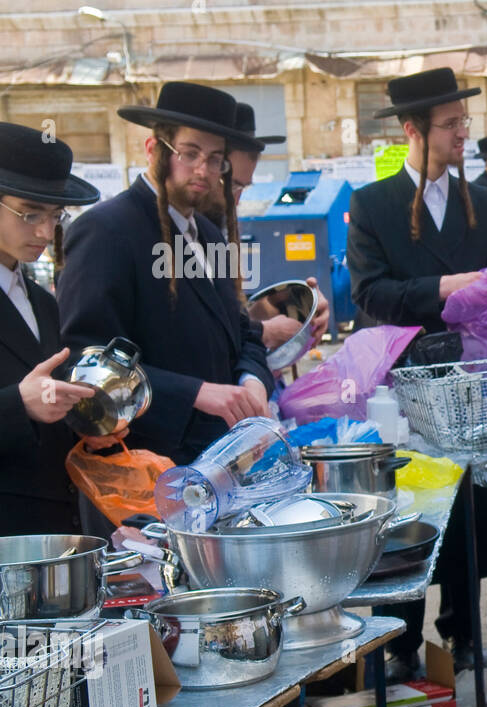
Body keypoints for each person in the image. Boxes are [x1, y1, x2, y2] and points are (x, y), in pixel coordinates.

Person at [346, 68, 487, 677]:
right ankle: (401, 646)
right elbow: (371, 295)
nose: (463, 132)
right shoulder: (373, 204)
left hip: (474, 380)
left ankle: (465, 636)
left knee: (469, 513)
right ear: (413, 130)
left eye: (465, 121)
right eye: (451, 124)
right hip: (405, 386)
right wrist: (446, 287)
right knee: (410, 515)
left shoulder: (482, 200)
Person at [60, 82, 274, 470]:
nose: (202, 170)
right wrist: (195, 393)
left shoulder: (208, 234)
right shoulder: (106, 230)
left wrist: (251, 382)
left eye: (215, 159)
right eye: (189, 153)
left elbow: (242, 332)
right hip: (146, 465)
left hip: (219, 459)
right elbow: (84, 358)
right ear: (154, 149)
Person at [0, 122, 107, 536]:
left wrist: (86, 427)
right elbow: (25, 400)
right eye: (29, 213)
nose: (46, 232)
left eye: (55, 215)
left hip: (50, 539)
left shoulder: (42, 300)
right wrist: (17, 405)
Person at [201, 103, 330, 357]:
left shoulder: (219, 230)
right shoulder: (170, 237)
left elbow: (235, 313)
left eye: (242, 189)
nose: (236, 201)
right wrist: (263, 331)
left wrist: (294, 304)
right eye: (232, 186)